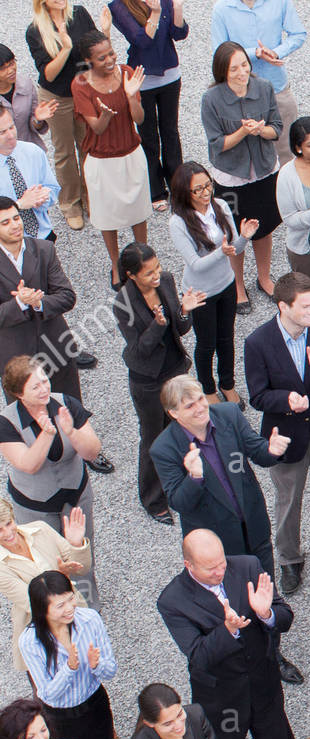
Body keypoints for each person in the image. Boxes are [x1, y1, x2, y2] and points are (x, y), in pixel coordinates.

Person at [156, 529, 298, 739]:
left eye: (221, 562)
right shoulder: (172, 600)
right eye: (210, 568)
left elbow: (285, 615)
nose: (220, 571)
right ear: (188, 565)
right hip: (220, 695)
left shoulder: (247, 566)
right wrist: (228, 631)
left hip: (262, 681)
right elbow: (198, 655)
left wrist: (267, 614)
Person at [244, 271, 310, 594]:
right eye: (305, 306)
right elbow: (257, 395)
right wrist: (286, 401)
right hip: (285, 438)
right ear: (283, 307)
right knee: (288, 502)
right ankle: (290, 560)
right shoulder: (258, 343)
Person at [149, 375, 290, 587]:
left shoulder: (229, 414)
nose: (199, 408)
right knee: (235, 600)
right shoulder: (164, 449)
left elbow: (256, 451)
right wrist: (194, 478)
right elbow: (179, 503)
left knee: (266, 588)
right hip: (217, 544)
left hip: (254, 523)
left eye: (200, 399)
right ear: (174, 413)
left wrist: (271, 451)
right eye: (189, 406)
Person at [0, 357, 101, 606]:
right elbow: (28, 464)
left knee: (82, 553)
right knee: (44, 562)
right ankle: (55, 610)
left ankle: (89, 607)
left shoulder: (66, 404)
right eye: (35, 387)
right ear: (18, 394)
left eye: (44, 381)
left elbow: (92, 452)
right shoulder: (6, 421)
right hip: (35, 504)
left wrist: (71, 432)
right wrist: (46, 434)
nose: (44, 389)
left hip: (75, 493)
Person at [111, 241, 199, 525]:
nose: (156, 275)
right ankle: (152, 498)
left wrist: (185, 311)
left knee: (184, 426)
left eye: (157, 267)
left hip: (174, 367)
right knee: (153, 437)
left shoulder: (168, 281)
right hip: (148, 379)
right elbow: (138, 350)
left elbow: (182, 328)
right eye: (149, 273)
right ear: (132, 274)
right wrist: (158, 324)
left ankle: (188, 477)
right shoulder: (123, 303)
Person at [200, 41, 282, 314]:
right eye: (234, 68)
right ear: (222, 72)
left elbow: (277, 128)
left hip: (264, 170)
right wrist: (243, 133)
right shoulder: (211, 100)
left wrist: (261, 131)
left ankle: (264, 277)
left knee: (265, 227)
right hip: (232, 177)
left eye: (244, 65)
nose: (241, 72)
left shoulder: (264, 88)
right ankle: (237, 286)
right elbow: (216, 144)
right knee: (235, 232)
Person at [168, 161, 255, 405]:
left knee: (227, 337)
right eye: (198, 189)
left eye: (208, 186)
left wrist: (245, 238)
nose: (206, 193)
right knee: (206, 343)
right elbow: (195, 264)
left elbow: (234, 248)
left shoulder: (221, 206)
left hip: (226, 283)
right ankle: (207, 389)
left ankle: (228, 384)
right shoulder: (178, 222)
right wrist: (222, 252)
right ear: (185, 193)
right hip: (200, 292)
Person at [72, 28, 152, 287]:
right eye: (102, 58)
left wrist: (131, 97)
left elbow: (139, 119)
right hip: (101, 159)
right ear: (89, 61)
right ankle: (116, 264)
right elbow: (96, 128)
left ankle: (143, 261)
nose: (110, 61)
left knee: (138, 212)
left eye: (111, 54)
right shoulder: (80, 84)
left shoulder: (127, 73)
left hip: (130, 153)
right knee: (107, 216)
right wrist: (105, 114)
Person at [25, 0, 101, 230]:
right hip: (56, 95)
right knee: (64, 151)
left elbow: (94, 46)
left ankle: (91, 197)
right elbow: (48, 74)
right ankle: (70, 203)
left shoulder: (78, 14)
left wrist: (105, 31)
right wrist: (66, 48)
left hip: (83, 90)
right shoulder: (35, 29)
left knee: (87, 145)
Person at [0, 198, 86, 400]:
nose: (15, 225)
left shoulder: (44, 249)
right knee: (31, 426)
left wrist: (39, 302)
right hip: (16, 362)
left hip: (56, 348)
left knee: (70, 413)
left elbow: (67, 297)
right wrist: (19, 303)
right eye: (5, 222)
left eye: (16, 218)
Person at [108, 0, 187, 211]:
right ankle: (156, 189)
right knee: (148, 134)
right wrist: (156, 12)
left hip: (171, 74)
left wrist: (177, 7)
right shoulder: (119, 6)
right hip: (141, 78)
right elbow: (141, 40)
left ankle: (177, 186)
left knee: (170, 131)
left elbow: (179, 34)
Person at [0, 498, 88, 682]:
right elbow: (36, 604)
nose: (8, 533)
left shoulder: (40, 529)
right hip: (42, 635)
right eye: (0, 530)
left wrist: (76, 545)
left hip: (73, 613)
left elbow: (83, 568)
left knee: (88, 674)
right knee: (50, 690)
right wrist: (61, 575)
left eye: (9, 523)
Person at [209, 0, 305, 166]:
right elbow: (219, 51)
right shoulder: (222, 8)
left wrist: (276, 52)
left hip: (277, 88)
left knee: (287, 151)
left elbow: (298, 34)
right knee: (247, 155)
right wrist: (255, 53)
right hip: (239, 94)